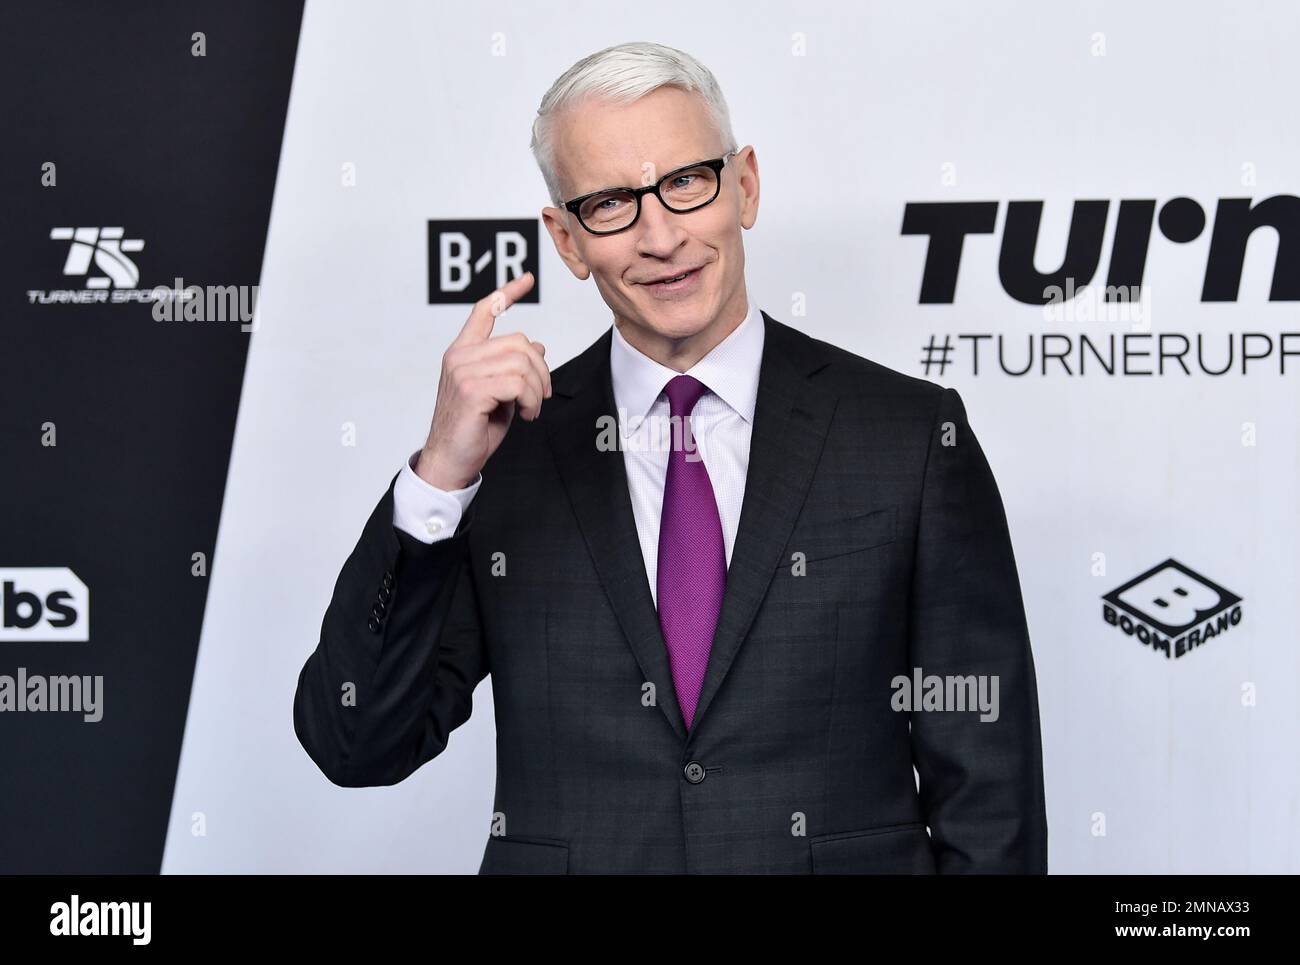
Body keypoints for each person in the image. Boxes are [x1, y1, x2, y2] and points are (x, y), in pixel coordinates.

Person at [293, 41, 1048, 874]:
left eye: (687, 181)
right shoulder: (506, 449)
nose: (661, 235)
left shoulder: (909, 437)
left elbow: (991, 795)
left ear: (745, 186)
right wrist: (440, 474)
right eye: (612, 202)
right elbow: (358, 741)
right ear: (568, 240)